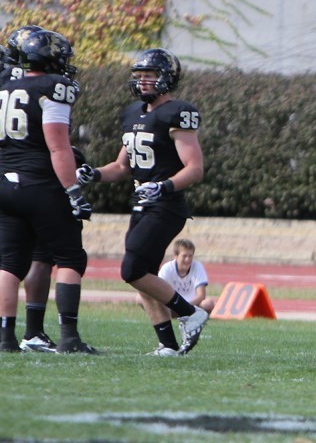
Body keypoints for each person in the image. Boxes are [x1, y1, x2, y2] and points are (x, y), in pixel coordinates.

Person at [76, 48, 208, 357]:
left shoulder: (178, 112)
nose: (143, 81)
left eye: (150, 75)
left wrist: (163, 186)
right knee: (144, 275)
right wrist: (93, 173)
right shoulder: (132, 113)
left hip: (166, 205)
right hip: (141, 204)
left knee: (132, 269)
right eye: (139, 75)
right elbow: (122, 166)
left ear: (167, 79)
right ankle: (168, 345)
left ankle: (190, 313)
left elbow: (195, 168)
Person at [0, 29, 97, 354]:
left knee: (9, 263)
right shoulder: (52, 87)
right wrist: (73, 191)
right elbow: (58, 147)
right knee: (70, 256)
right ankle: (69, 338)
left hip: (5, 182)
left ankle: (5, 338)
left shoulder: (6, 86)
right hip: (39, 183)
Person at [158, 239, 216, 314]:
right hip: (173, 304)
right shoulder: (167, 268)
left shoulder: (197, 266)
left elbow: (201, 295)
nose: (187, 259)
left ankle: (180, 313)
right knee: (148, 300)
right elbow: (160, 292)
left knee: (208, 303)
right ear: (175, 256)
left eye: (190, 256)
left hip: (193, 304)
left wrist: (186, 306)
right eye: (184, 256)